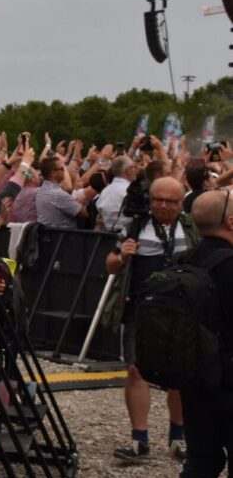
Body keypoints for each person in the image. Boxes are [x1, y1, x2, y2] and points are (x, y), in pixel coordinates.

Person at [105, 177, 197, 462]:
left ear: (181, 203)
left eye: (170, 201)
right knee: (135, 370)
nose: (163, 206)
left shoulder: (193, 227)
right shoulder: (134, 227)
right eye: (158, 200)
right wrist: (122, 256)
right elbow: (110, 265)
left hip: (183, 309)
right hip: (141, 307)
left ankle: (178, 436)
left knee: (181, 373)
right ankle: (139, 439)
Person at [175, 190, 233, 478]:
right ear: (231, 222)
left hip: (194, 379)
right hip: (228, 379)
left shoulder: (182, 261)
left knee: (201, 461)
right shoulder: (230, 265)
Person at [34, 156, 86, 229]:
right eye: (62, 168)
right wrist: (81, 203)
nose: (64, 171)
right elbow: (84, 215)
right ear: (53, 173)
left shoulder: (41, 191)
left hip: (47, 234)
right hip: (64, 235)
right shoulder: (58, 194)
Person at [97, 155, 138, 232]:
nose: (136, 169)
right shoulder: (130, 191)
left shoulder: (104, 191)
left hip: (106, 234)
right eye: (134, 167)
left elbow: (98, 208)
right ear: (128, 171)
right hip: (128, 235)